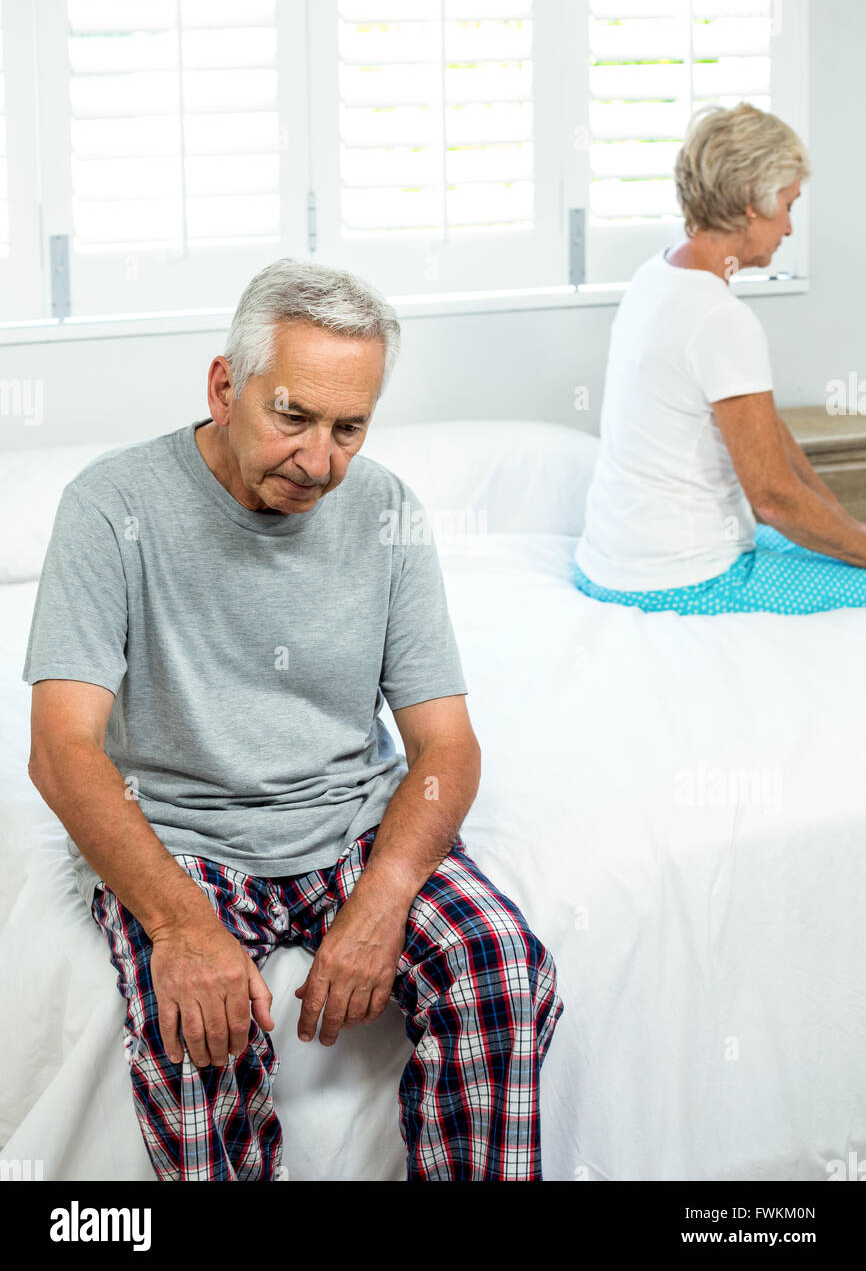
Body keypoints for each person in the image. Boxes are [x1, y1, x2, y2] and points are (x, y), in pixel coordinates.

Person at [23, 258, 563, 1182]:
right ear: (225, 386)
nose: (320, 462)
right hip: (185, 836)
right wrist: (182, 926)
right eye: (293, 418)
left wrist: (387, 894)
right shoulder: (110, 506)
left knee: (503, 969)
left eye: (349, 427)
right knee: (196, 1040)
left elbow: (445, 743)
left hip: (351, 824)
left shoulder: (386, 509)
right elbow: (61, 751)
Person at [574, 101, 866, 615]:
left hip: (609, 564)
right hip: (678, 580)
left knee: (831, 544)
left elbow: (767, 433)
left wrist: (848, 526)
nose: (790, 229)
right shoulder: (720, 320)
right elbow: (773, 498)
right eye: (788, 205)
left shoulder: (658, 277)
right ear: (752, 203)